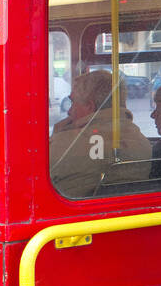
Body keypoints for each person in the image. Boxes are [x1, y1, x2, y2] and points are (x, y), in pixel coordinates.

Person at [49, 69, 152, 198]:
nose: (69, 111)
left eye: (73, 102)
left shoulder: (65, 143)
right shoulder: (142, 140)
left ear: (89, 106)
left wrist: (55, 136)